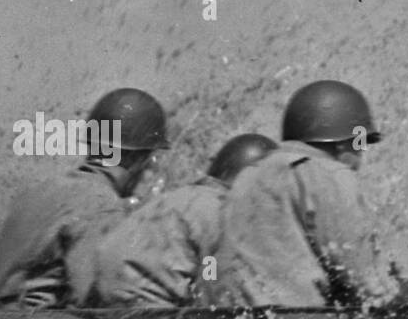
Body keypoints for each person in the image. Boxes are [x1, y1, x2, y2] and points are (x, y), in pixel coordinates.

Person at [201, 80, 394, 308]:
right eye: (360, 144)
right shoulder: (329, 174)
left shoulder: (249, 175)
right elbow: (364, 278)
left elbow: (209, 265)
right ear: (344, 144)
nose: (361, 157)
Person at [0, 88, 169, 309]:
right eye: (150, 158)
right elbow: (99, 298)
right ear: (136, 157)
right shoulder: (100, 204)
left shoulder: (36, 193)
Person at [90, 132, 277, 307]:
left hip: (107, 305)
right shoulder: (218, 211)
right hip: (148, 311)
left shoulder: (178, 198)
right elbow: (212, 278)